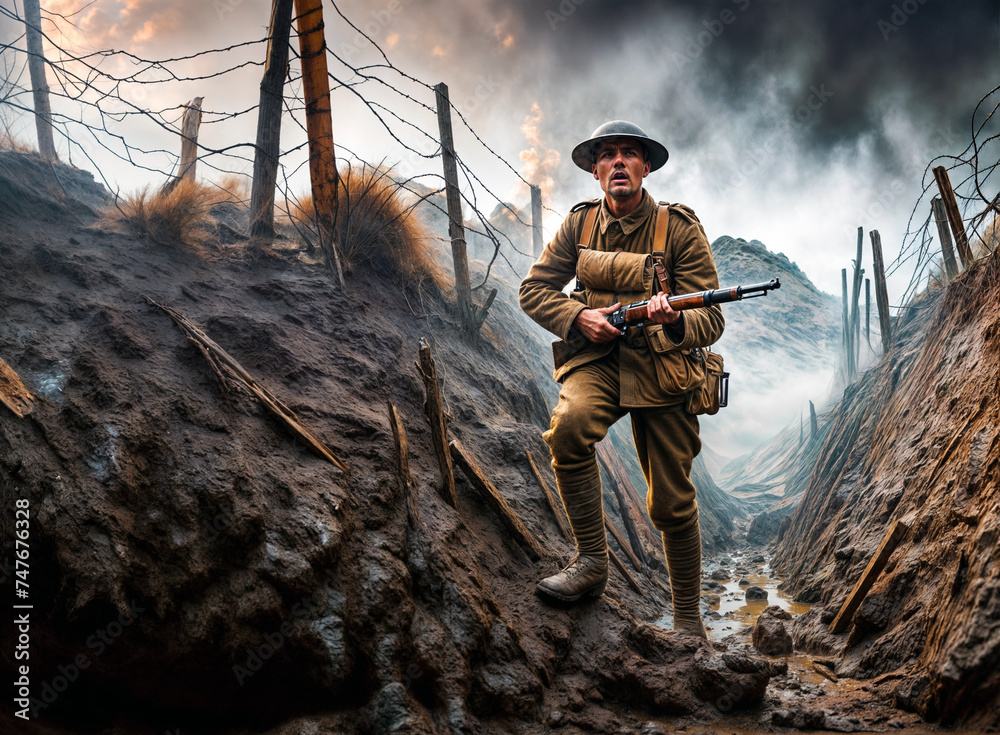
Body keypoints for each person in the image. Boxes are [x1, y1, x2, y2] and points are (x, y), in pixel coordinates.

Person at [519, 120, 724, 638]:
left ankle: (686, 618)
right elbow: (534, 290)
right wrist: (576, 317)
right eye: (607, 155)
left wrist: (674, 319)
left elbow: (713, 319)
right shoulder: (579, 226)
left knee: (671, 499)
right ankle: (591, 562)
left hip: (664, 369)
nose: (617, 163)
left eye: (629, 155)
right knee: (568, 428)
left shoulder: (678, 228)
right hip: (598, 361)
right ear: (594, 170)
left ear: (645, 167)